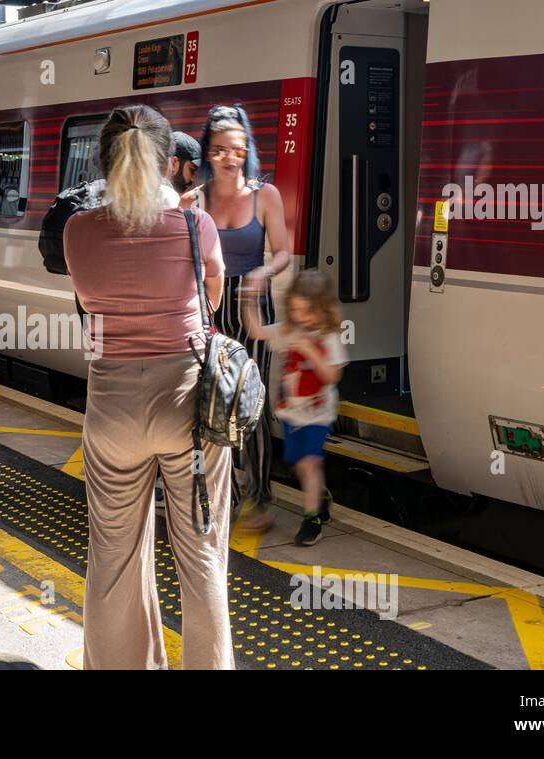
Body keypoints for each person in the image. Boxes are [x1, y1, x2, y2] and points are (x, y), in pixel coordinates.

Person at [63, 104, 233, 670]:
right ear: (169, 162)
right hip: (187, 403)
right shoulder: (195, 224)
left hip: (111, 405)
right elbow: (213, 296)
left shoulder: (78, 230)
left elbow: (91, 305)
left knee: (113, 556)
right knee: (201, 555)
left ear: (103, 160)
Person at [192, 104, 292, 530]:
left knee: (251, 398)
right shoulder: (196, 197)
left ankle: (260, 495)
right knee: (213, 398)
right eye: (218, 149)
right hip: (210, 305)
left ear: (246, 149)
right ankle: (225, 492)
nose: (228, 157)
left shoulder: (264, 195)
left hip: (252, 305)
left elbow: (283, 251)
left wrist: (262, 273)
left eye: (236, 148)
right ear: (207, 153)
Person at [240, 269, 346, 546]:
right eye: (296, 310)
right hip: (291, 412)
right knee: (298, 463)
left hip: (317, 412)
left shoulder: (329, 338)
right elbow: (256, 331)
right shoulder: (290, 330)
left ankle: (312, 520)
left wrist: (311, 351)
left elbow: (332, 377)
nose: (301, 317)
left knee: (308, 462)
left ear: (323, 309)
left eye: (307, 311)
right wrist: (249, 298)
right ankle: (320, 496)